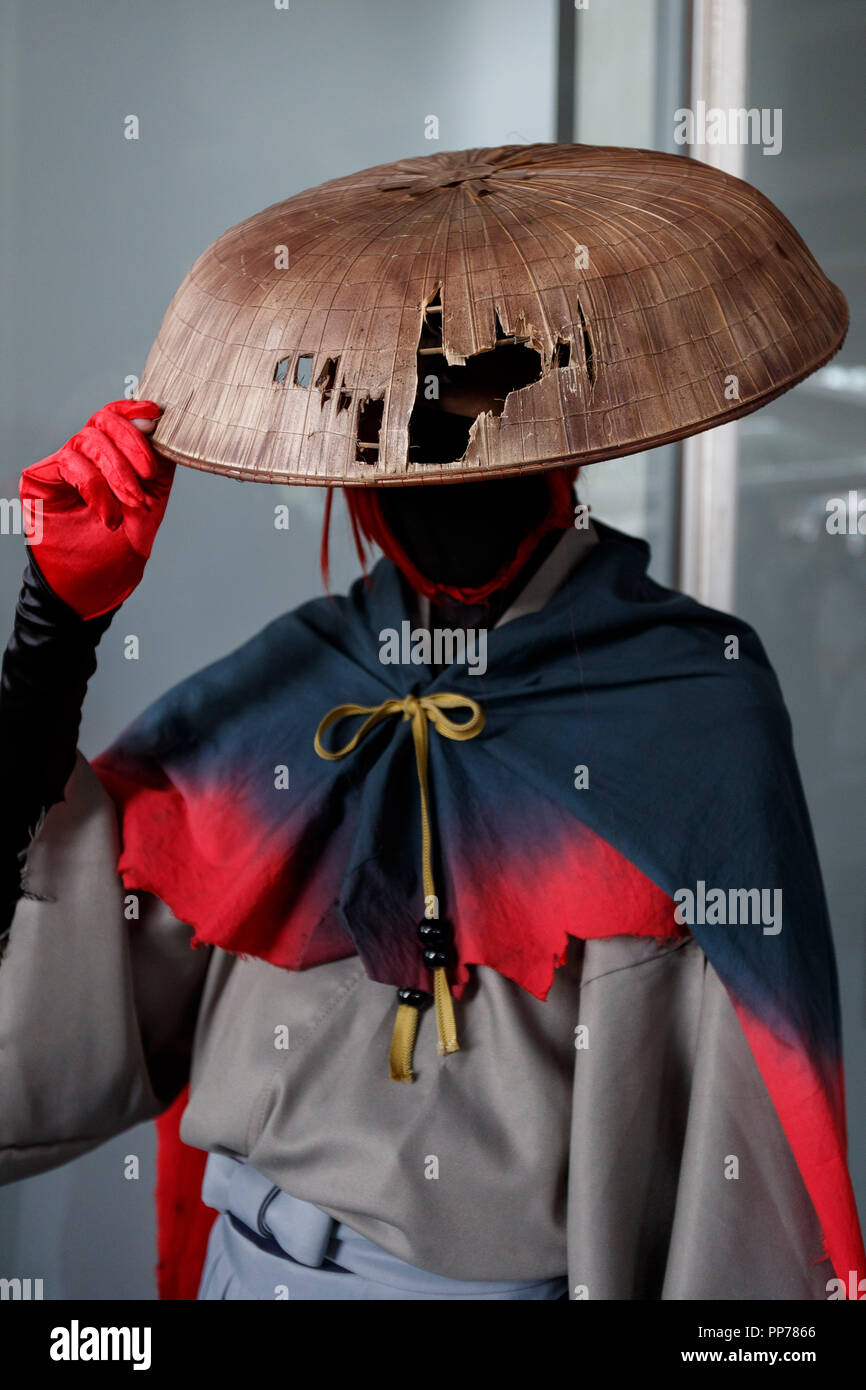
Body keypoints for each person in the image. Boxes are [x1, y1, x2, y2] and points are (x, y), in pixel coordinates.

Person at [1, 143, 863, 1300]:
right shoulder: (296, 685)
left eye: (480, 399)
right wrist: (57, 627)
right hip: (244, 1264)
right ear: (351, 463)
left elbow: (750, 1100)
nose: (449, 453)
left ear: (568, 438)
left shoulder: (687, 696)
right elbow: (64, 935)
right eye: (406, 421)